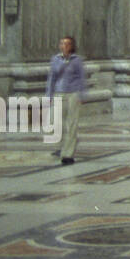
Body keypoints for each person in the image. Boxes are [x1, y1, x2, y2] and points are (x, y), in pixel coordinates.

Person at [46, 36, 86, 165]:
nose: (64, 46)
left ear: (72, 46)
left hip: (73, 93)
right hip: (59, 92)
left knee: (72, 124)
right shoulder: (56, 59)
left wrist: (81, 95)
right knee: (54, 122)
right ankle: (64, 144)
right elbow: (52, 78)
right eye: (62, 43)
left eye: (67, 44)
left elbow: (81, 78)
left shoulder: (77, 60)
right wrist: (49, 96)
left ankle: (68, 154)